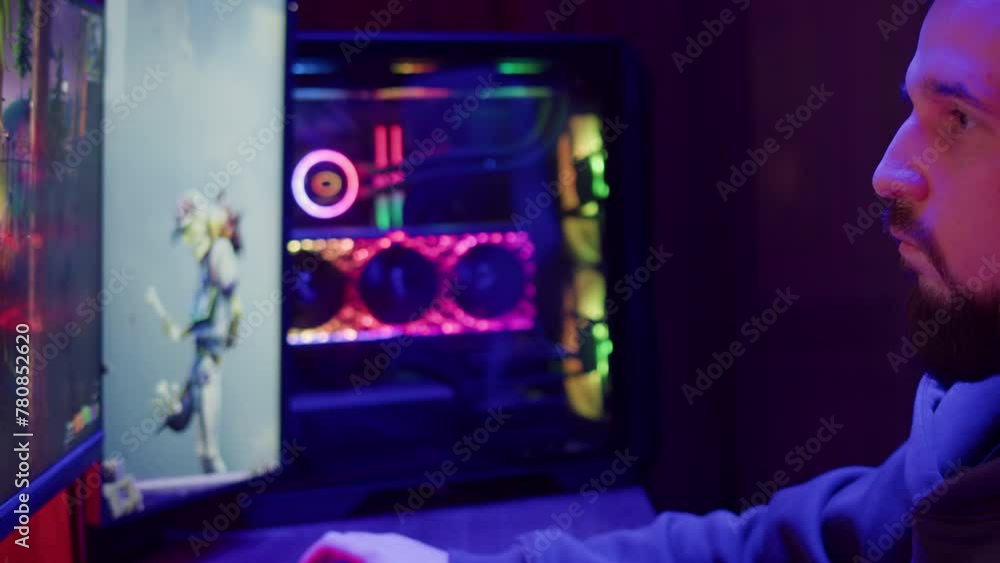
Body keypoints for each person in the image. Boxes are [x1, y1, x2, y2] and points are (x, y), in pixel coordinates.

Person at [300, 0, 1000, 560]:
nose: (887, 171)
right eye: (912, 109)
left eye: (959, 119)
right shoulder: (973, 425)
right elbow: (789, 545)